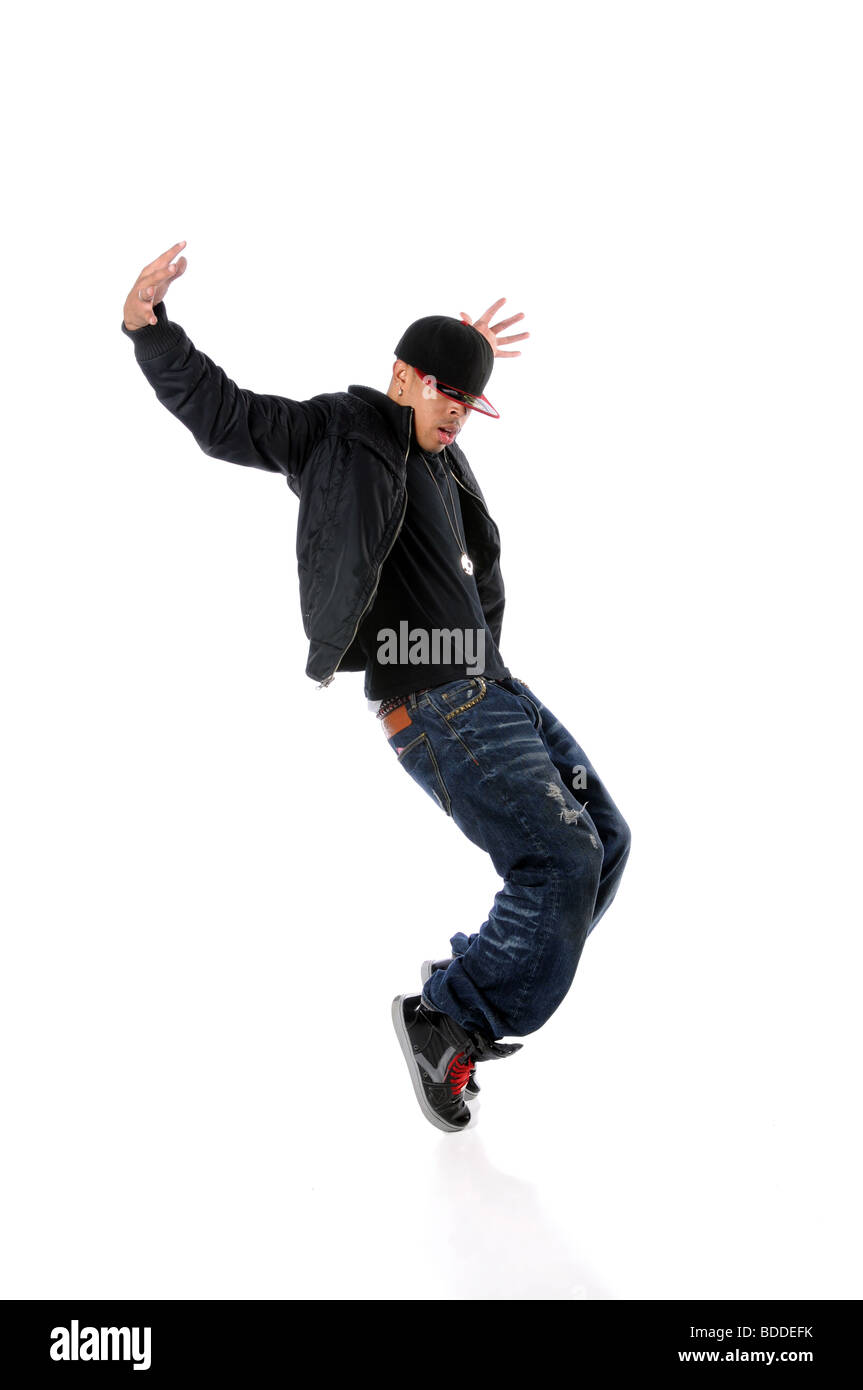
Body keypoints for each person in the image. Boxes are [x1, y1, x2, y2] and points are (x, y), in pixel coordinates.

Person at [121, 241, 632, 1135]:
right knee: (560, 862)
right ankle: (450, 1018)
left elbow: (465, 504)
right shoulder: (335, 433)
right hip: (434, 700)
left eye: (471, 403)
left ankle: (461, 1000)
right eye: (446, 394)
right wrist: (149, 329)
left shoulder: (440, 456)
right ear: (401, 375)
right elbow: (222, 416)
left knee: (609, 841)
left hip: (492, 687)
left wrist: (459, 354)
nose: (458, 417)